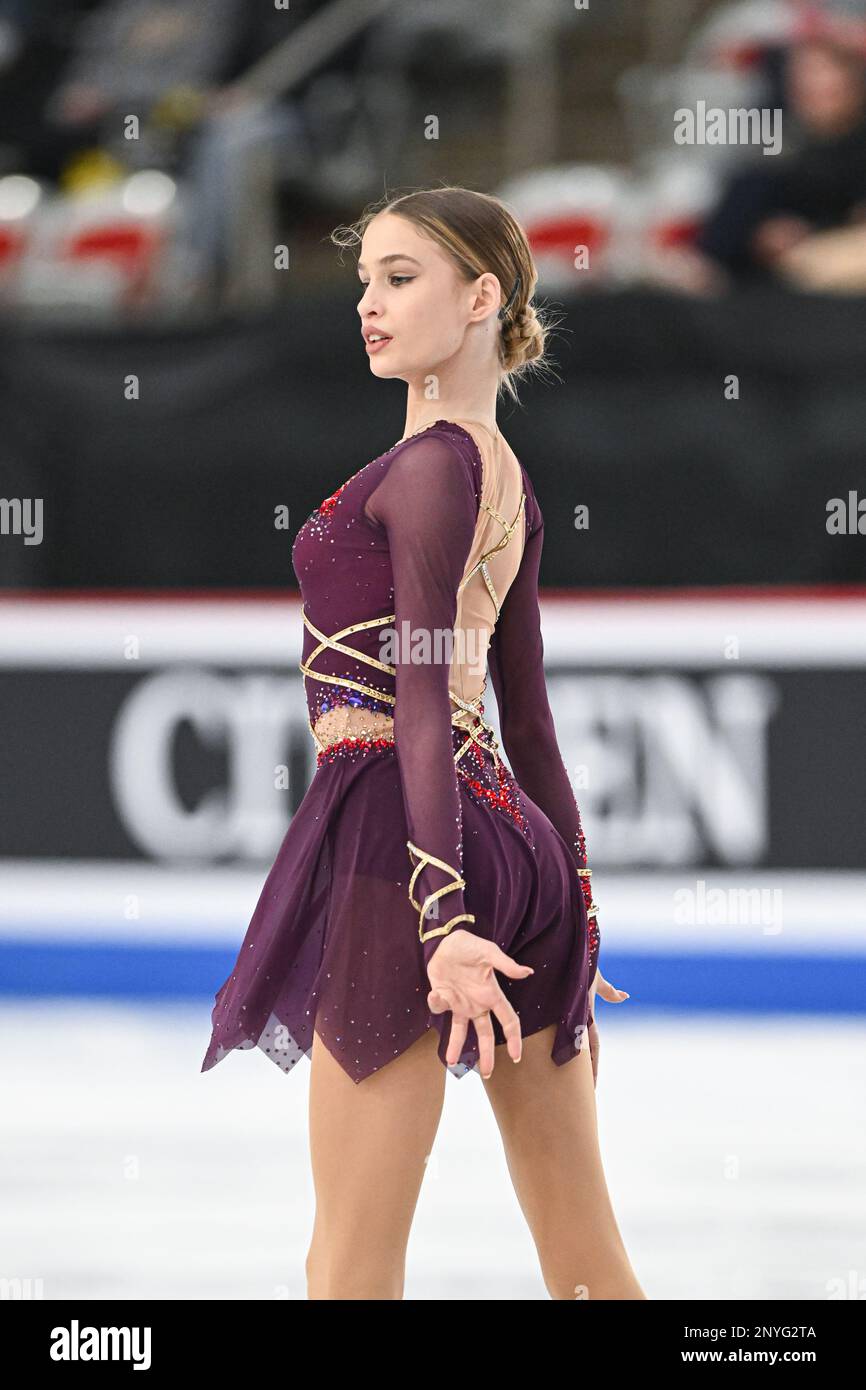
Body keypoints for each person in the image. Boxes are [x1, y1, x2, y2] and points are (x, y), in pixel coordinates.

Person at [201, 185, 644, 1301]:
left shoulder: (428, 466)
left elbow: (416, 692)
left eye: (400, 279)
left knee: (347, 1264)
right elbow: (526, 715)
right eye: (364, 282)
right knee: (587, 1262)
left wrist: (440, 915)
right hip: (513, 841)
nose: (367, 304)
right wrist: (575, 909)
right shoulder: (505, 477)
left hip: (399, 842)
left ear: (481, 296)